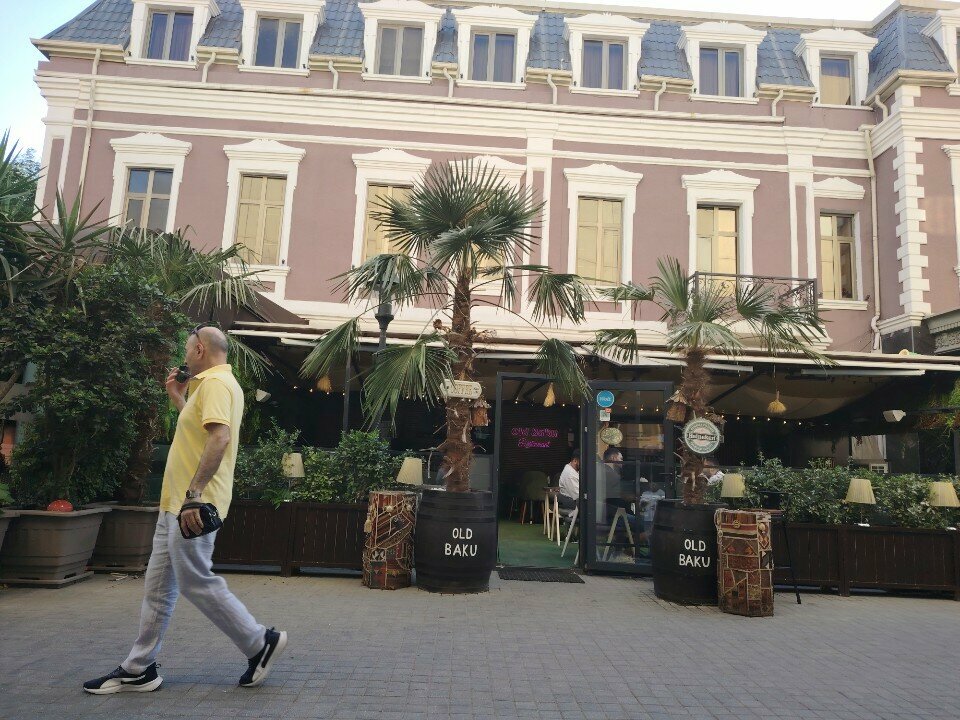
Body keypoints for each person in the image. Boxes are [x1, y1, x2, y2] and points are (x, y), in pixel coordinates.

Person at [84, 326, 288, 695]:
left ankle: (259, 642)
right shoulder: (212, 386)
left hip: (192, 506)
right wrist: (178, 397)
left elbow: (220, 437)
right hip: (178, 504)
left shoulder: (214, 384)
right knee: (158, 589)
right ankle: (139, 668)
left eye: (186, 347)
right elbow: (199, 432)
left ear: (198, 349)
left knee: (195, 580)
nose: (184, 353)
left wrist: (194, 495)